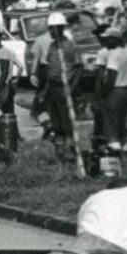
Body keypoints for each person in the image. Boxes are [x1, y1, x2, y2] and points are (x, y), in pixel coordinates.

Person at [40, 12, 82, 162]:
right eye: (50, 29)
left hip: (65, 88)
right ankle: (60, 154)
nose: (51, 32)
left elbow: (78, 68)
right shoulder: (52, 46)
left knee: (67, 124)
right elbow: (50, 70)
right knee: (56, 124)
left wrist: (70, 90)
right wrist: (45, 91)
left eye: (53, 29)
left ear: (61, 28)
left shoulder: (70, 45)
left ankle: (71, 153)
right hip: (53, 88)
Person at [101, 28, 127, 155]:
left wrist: (103, 94)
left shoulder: (114, 54)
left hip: (115, 91)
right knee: (122, 124)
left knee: (111, 125)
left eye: (108, 39)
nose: (105, 42)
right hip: (126, 90)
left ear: (115, 39)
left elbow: (111, 76)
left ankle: (114, 155)